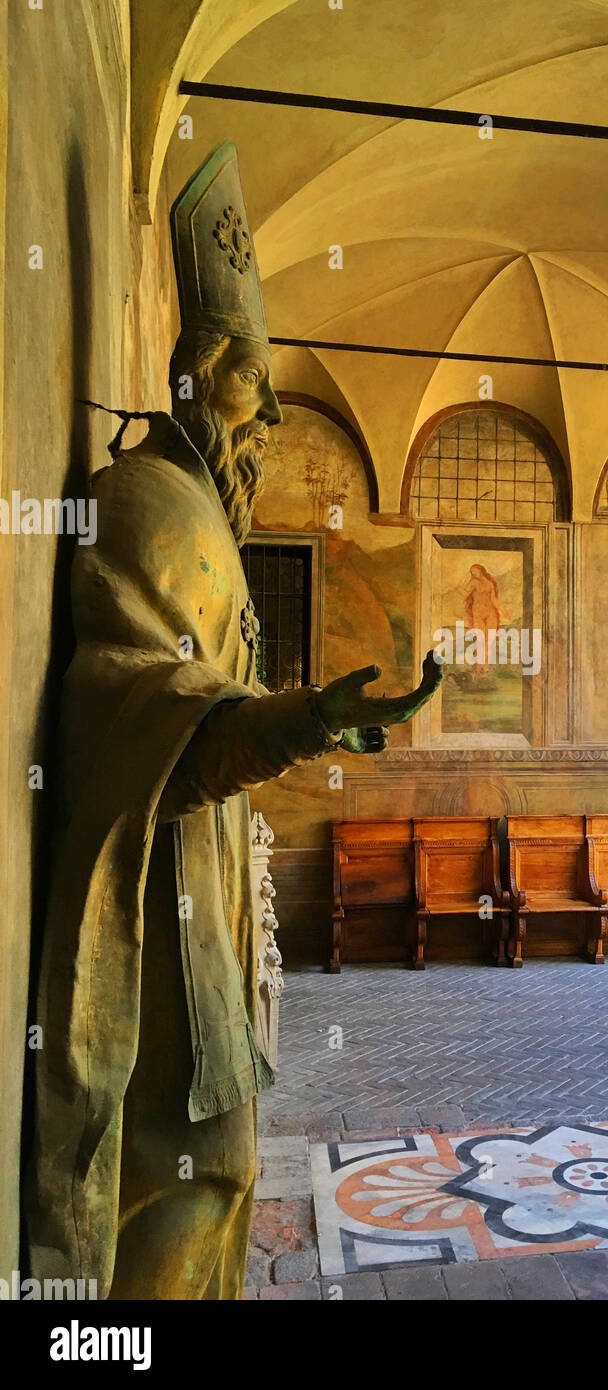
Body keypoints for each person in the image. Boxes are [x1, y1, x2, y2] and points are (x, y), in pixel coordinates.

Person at [28, 142, 442, 1299]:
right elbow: (148, 714)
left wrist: (311, 720)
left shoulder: (201, 511)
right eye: (251, 392)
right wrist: (303, 716)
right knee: (182, 1178)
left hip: (203, 915)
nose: (263, 430)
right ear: (193, 381)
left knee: (219, 1169)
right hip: (156, 922)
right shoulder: (147, 503)